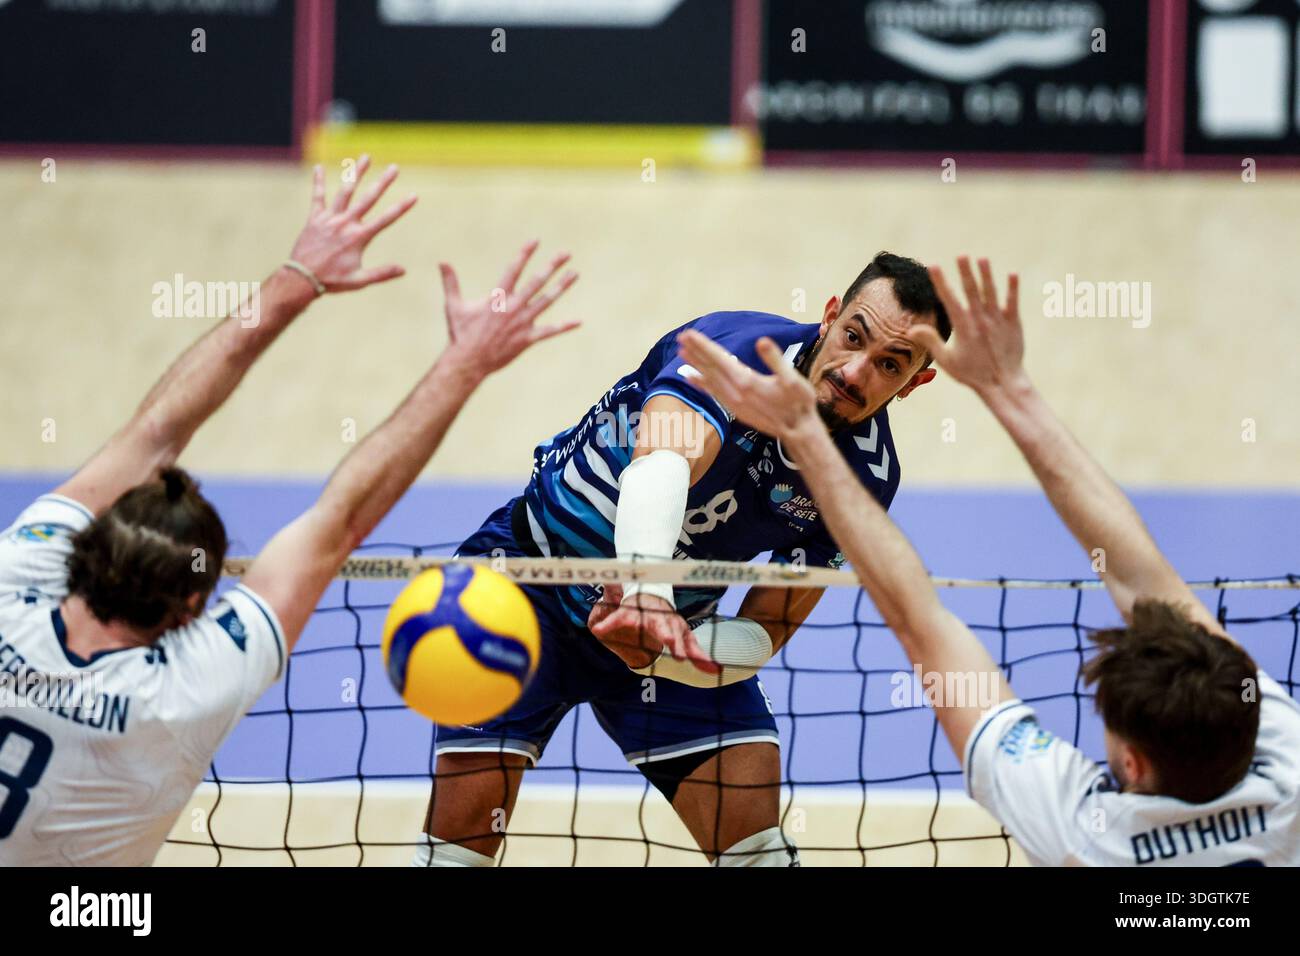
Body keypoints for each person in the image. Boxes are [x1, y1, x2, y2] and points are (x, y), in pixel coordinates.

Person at [0, 159, 578, 865]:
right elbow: (340, 520)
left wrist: (294, 278)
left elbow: (151, 434)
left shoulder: (15, 573)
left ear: (85, 548)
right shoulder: (184, 691)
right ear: (190, 604)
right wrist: (465, 362)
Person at [676, 255, 1299, 866]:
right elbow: (1149, 589)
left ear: (1133, 764)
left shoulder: (1082, 831)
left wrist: (1003, 392)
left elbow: (924, 619)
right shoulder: (1287, 776)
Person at [420, 252, 951, 867]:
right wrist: (645, 594)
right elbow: (663, 464)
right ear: (830, 316)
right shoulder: (736, 350)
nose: (856, 373)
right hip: (528, 581)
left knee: (758, 850)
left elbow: (766, 627)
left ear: (916, 381)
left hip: (675, 630)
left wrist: (675, 652)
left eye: (890, 364)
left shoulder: (865, 475)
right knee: (460, 846)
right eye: (853, 337)